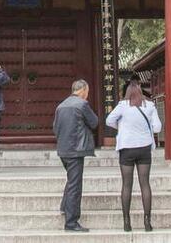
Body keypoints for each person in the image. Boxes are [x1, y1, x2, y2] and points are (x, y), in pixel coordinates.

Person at [105, 79, 162, 232]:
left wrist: (121, 126)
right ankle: (147, 222)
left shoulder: (122, 106)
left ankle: (126, 222)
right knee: (145, 184)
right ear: (141, 92)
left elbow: (109, 120)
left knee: (126, 185)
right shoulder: (149, 106)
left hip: (127, 148)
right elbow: (157, 128)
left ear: (128, 92)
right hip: (144, 148)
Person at [54, 79, 98, 233]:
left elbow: (55, 127)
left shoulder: (61, 106)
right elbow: (94, 122)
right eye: (87, 92)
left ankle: (65, 207)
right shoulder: (82, 104)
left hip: (63, 149)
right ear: (83, 90)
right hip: (76, 150)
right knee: (75, 184)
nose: (87, 95)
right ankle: (71, 222)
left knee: (72, 180)